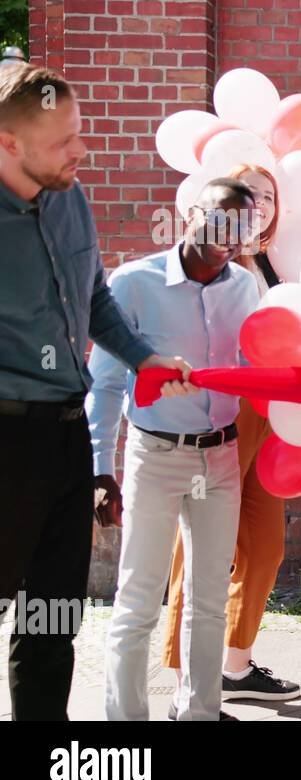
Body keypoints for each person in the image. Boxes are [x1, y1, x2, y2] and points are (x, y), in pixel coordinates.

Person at [0, 63, 191, 721]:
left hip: (63, 439)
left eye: (78, 133)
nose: (81, 150)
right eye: (63, 141)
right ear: (8, 143)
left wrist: (143, 359)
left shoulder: (70, 196)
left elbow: (93, 297)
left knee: (52, 622)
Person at [90, 178, 261, 721]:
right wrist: (100, 468)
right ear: (189, 213)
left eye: (243, 224)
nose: (230, 235)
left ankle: (199, 713)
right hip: (156, 455)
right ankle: (126, 725)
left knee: (208, 601)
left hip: (220, 457)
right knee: (139, 598)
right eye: (220, 218)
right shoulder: (135, 283)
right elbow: (107, 383)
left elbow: (253, 370)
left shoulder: (245, 288)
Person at [158, 164, 301, 704]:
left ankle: (235, 668)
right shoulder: (209, 263)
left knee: (265, 548)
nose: (260, 205)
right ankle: (181, 682)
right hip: (218, 413)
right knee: (198, 548)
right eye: (251, 196)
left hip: (267, 415)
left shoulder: (268, 263)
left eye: (269, 197)